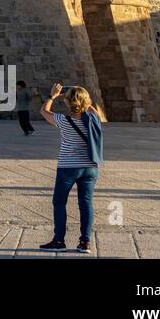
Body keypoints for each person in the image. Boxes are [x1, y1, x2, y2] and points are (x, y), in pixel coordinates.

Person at [38, 83, 105, 254]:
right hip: (90, 167)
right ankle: (85, 243)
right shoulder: (93, 119)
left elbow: (44, 112)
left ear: (67, 102)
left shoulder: (63, 120)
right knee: (86, 203)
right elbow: (92, 110)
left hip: (68, 167)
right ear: (86, 101)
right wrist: (83, 98)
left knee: (59, 202)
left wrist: (53, 96)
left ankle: (59, 240)